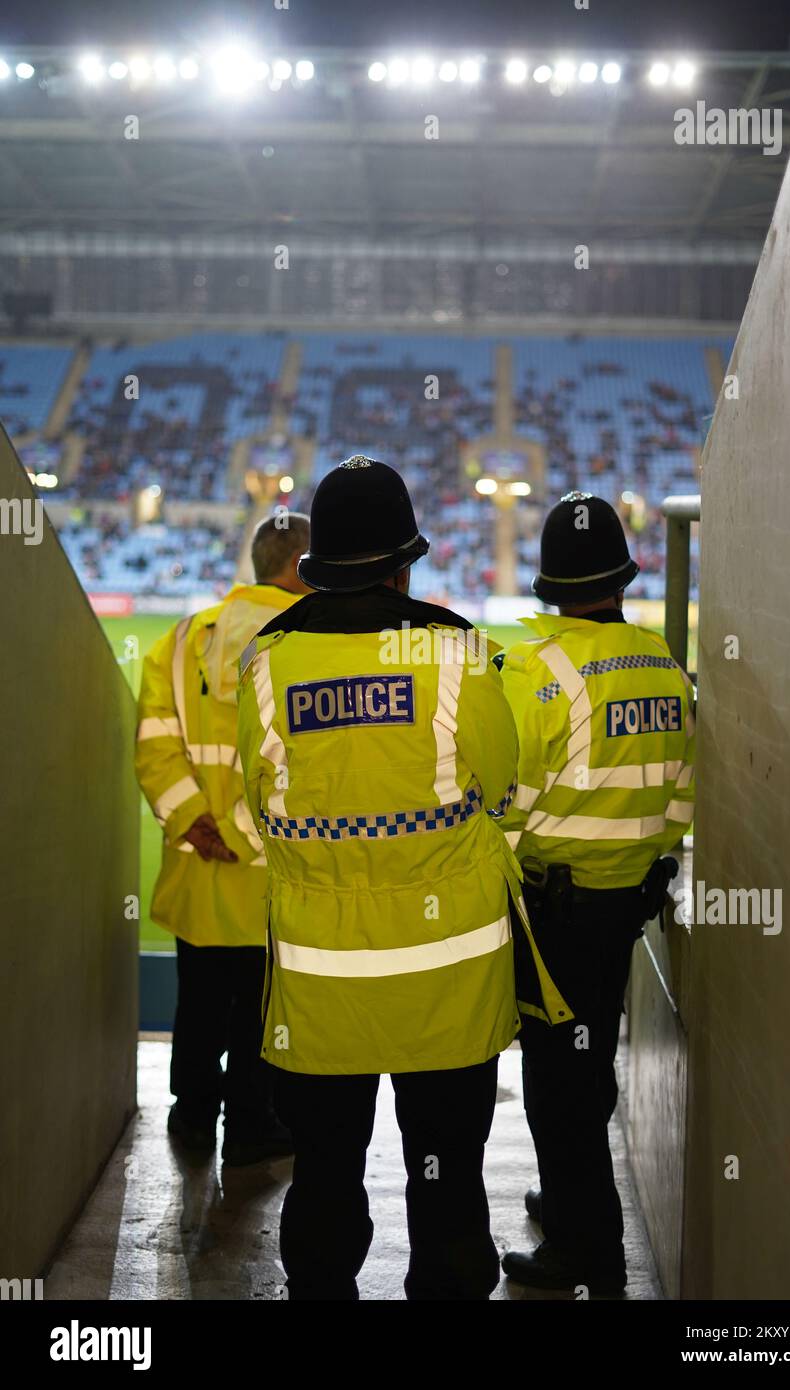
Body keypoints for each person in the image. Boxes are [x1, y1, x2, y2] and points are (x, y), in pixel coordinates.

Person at [236, 457, 569, 1301]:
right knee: (448, 1176)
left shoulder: (265, 663)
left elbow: (259, 802)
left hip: (322, 983)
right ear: (402, 563)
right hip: (449, 983)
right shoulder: (458, 650)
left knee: (325, 1171)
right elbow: (498, 788)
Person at [497, 492, 695, 1295]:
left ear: (550, 585)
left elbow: (502, 803)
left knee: (559, 1084)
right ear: (620, 577)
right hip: (628, 905)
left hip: (557, 910)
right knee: (590, 1068)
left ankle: (589, 1254)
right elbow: (680, 789)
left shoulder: (531, 671)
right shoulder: (662, 660)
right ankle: (570, 1201)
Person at [135, 512, 310, 1167]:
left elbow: (154, 741)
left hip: (200, 865)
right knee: (261, 1006)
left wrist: (193, 820)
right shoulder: (307, 641)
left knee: (200, 997)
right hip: (276, 872)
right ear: (298, 568)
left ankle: (192, 1113)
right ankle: (252, 1123)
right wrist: (248, 830)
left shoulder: (181, 639)